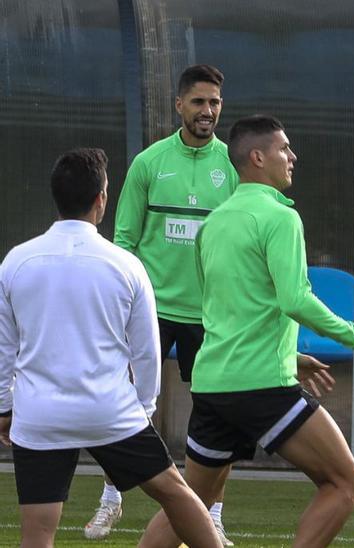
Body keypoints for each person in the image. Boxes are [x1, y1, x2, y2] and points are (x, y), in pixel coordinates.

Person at [137, 115, 354, 548]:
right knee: (346, 482)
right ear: (257, 157)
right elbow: (295, 299)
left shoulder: (214, 222)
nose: (292, 156)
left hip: (213, 383)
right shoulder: (280, 217)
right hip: (261, 386)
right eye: (283, 149)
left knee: (189, 503)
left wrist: (290, 356)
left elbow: (222, 311)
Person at [0, 148, 222, 548]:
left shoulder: (16, 262)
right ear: (102, 198)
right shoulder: (126, 265)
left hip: (39, 414)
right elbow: (147, 352)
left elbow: (4, 348)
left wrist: (3, 407)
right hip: (110, 411)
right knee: (176, 493)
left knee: (36, 532)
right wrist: (145, 408)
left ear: (56, 195)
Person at [108, 63, 239, 545]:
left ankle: (215, 514)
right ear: (179, 105)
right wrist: (125, 305)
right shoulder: (148, 162)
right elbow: (124, 240)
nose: (208, 111)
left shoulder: (233, 166)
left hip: (209, 315)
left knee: (216, 414)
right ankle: (111, 493)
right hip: (151, 310)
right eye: (199, 102)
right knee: (126, 402)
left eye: (215, 103)